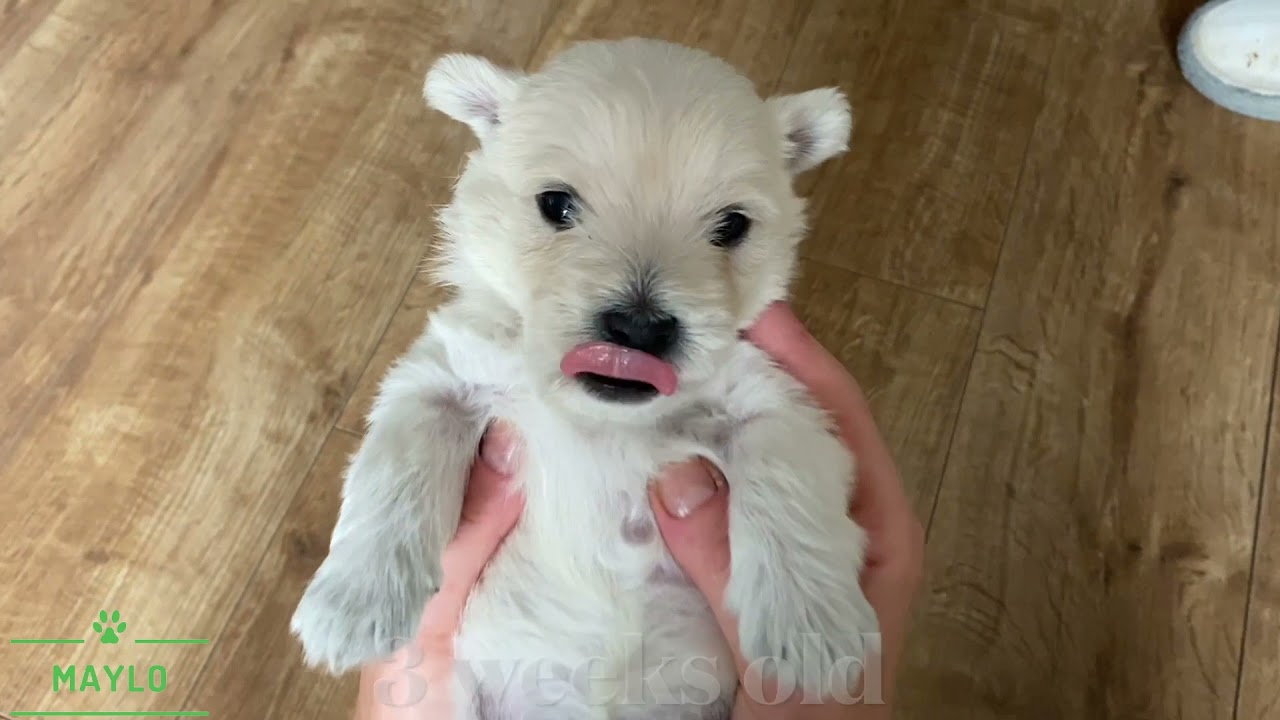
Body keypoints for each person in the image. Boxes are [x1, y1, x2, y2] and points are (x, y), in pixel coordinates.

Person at [353, 303, 926, 719]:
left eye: (723, 228)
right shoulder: (485, 332)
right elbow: (432, 396)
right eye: (561, 207)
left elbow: (775, 417)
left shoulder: (730, 363)